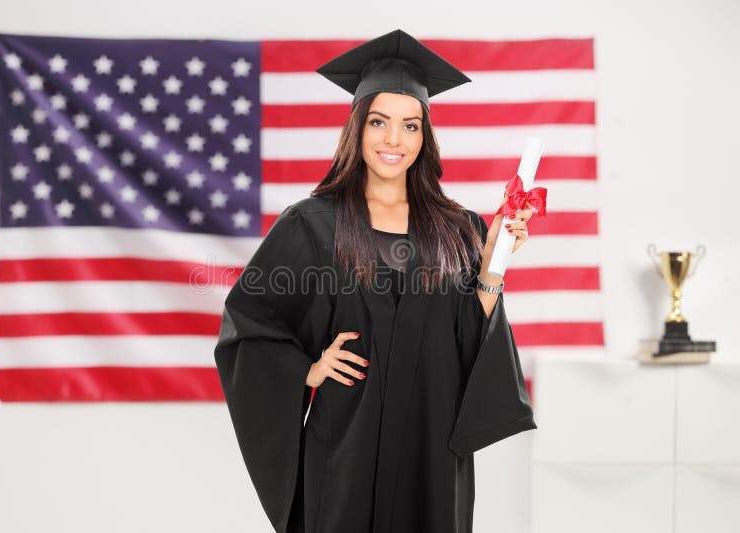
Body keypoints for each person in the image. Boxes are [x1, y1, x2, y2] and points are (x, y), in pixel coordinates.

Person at [214, 29, 537, 533]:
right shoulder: (312, 224)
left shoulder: (459, 228)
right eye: (379, 122)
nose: (394, 140)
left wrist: (493, 262)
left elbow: (471, 349)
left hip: (430, 451)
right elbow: (248, 324)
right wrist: (306, 369)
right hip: (347, 447)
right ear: (357, 127)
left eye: (410, 126)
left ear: (424, 136)